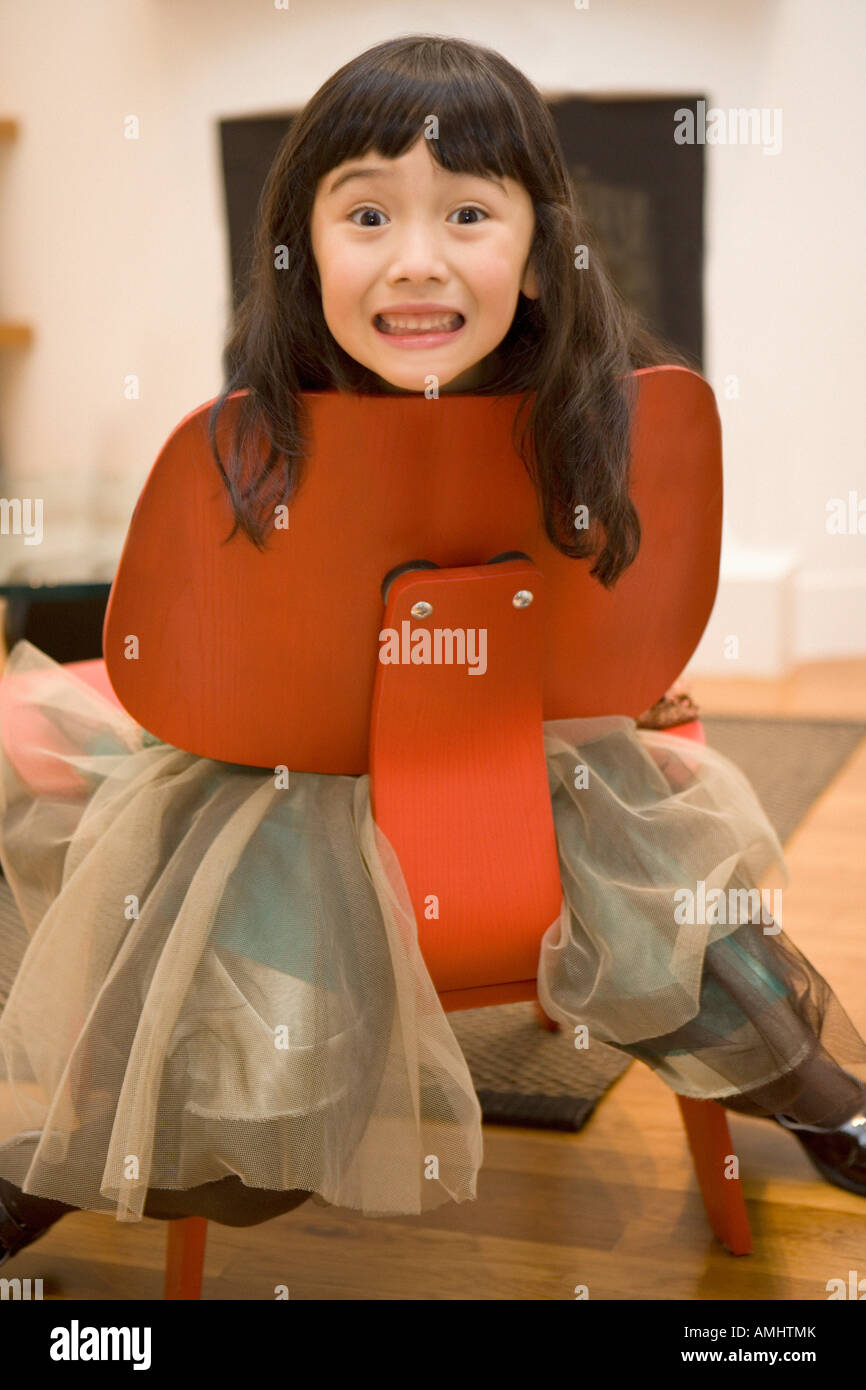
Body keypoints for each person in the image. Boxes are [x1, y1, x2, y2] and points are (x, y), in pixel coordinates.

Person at [1, 33, 864, 1270]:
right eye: (366, 214)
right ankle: (826, 1101)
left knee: (113, 827)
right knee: (667, 873)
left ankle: (81, 1146)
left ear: (535, 243)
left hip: (350, 811)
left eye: (466, 211)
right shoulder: (610, 415)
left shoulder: (253, 443)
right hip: (521, 803)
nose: (416, 261)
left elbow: (192, 678)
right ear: (302, 248)